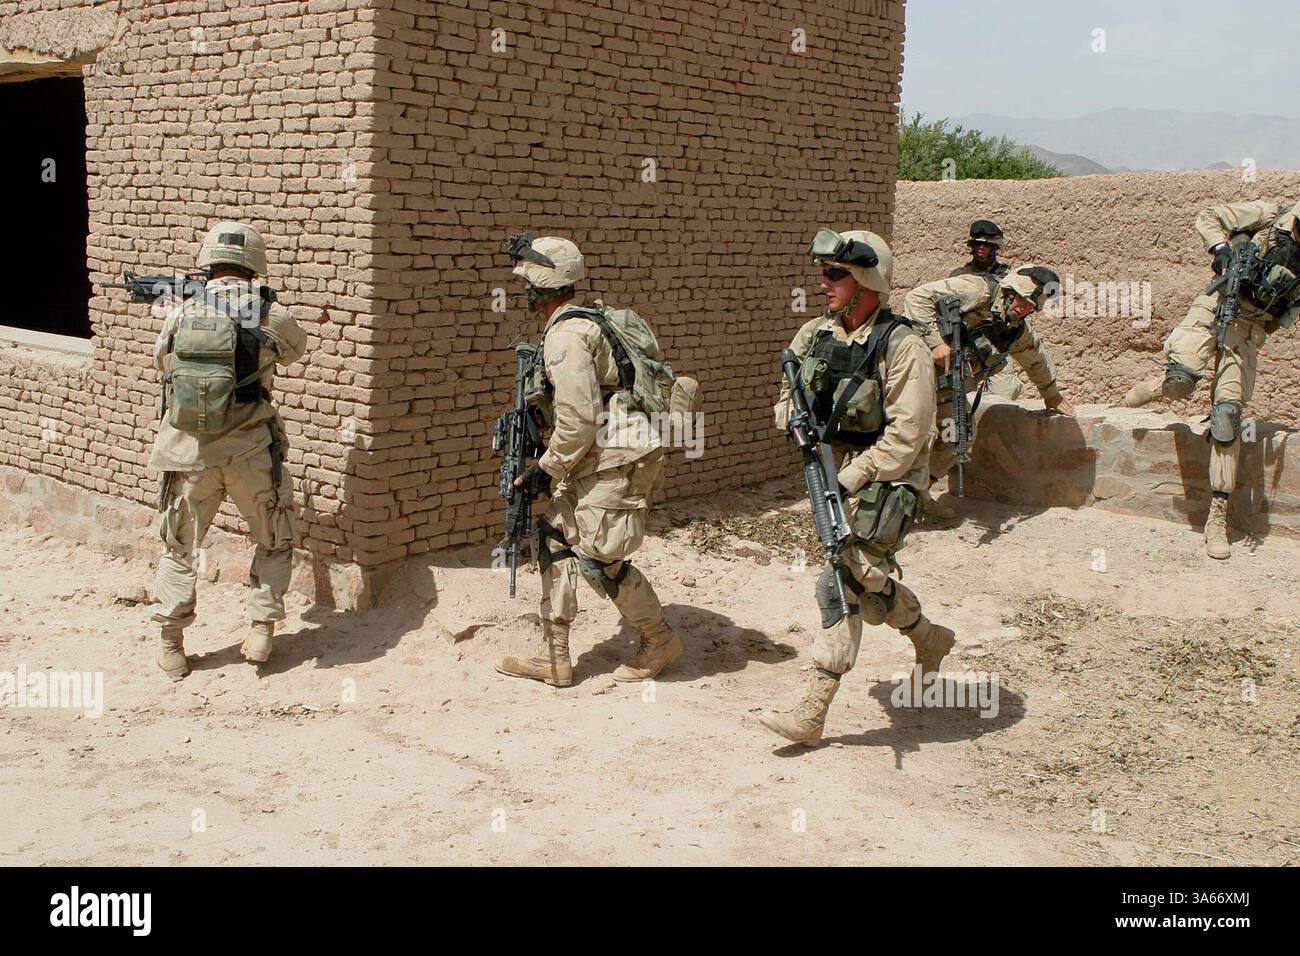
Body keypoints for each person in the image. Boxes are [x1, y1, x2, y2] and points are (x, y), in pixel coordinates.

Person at [758, 228, 952, 747]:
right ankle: (929, 637)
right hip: (833, 468)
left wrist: (852, 477)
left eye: (833, 275)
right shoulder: (813, 335)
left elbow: (910, 434)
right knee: (865, 579)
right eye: (823, 273)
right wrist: (792, 420)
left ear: (865, 279)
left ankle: (814, 709)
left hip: (890, 476)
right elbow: (784, 395)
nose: (823, 284)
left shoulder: (902, 344)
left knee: (838, 581)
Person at [495, 235, 681, 687]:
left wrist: (546, 468)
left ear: (546, 283)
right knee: (555, 538)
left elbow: (579, 420)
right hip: (598, 456)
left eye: (528, 283)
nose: (523, 290)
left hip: (616, 458)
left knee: (601, 560)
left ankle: (659, 640)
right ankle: (556, 658)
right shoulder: (577, 324)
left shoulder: (567, 335)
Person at [150, 222, 307, 679]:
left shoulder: (181, 311)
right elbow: (296, 351)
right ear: (254, 265)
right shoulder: (270, 314)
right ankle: (260, 632)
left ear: (207, 262)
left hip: (189, 454)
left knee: (180, 548)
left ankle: (171, 645)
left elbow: (164, 363)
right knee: (274, 537)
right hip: (252, 452)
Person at [1122, 200, 1300, 558]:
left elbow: (1288, 311)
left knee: (1227, 417)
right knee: (1182, 382)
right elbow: (1208, 215)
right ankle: (1159, 389)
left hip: (1248, 331)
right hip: (1216, 305)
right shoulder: (1270, 216)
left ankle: (1217, 516)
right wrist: (1220, 249)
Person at [903, 266, 1075, 487]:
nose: (1022, 309)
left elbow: (1035, 359)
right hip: (910, 369)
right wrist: (936, 342)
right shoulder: (977, 289)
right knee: (904, 431)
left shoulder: (1015, 329)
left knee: (957, 435)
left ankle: (914, 494)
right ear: (1010, 292)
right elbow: (916, 298)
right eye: (1021, 301)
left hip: (946, 383)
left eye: (1029, 307)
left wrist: (1051, 395)